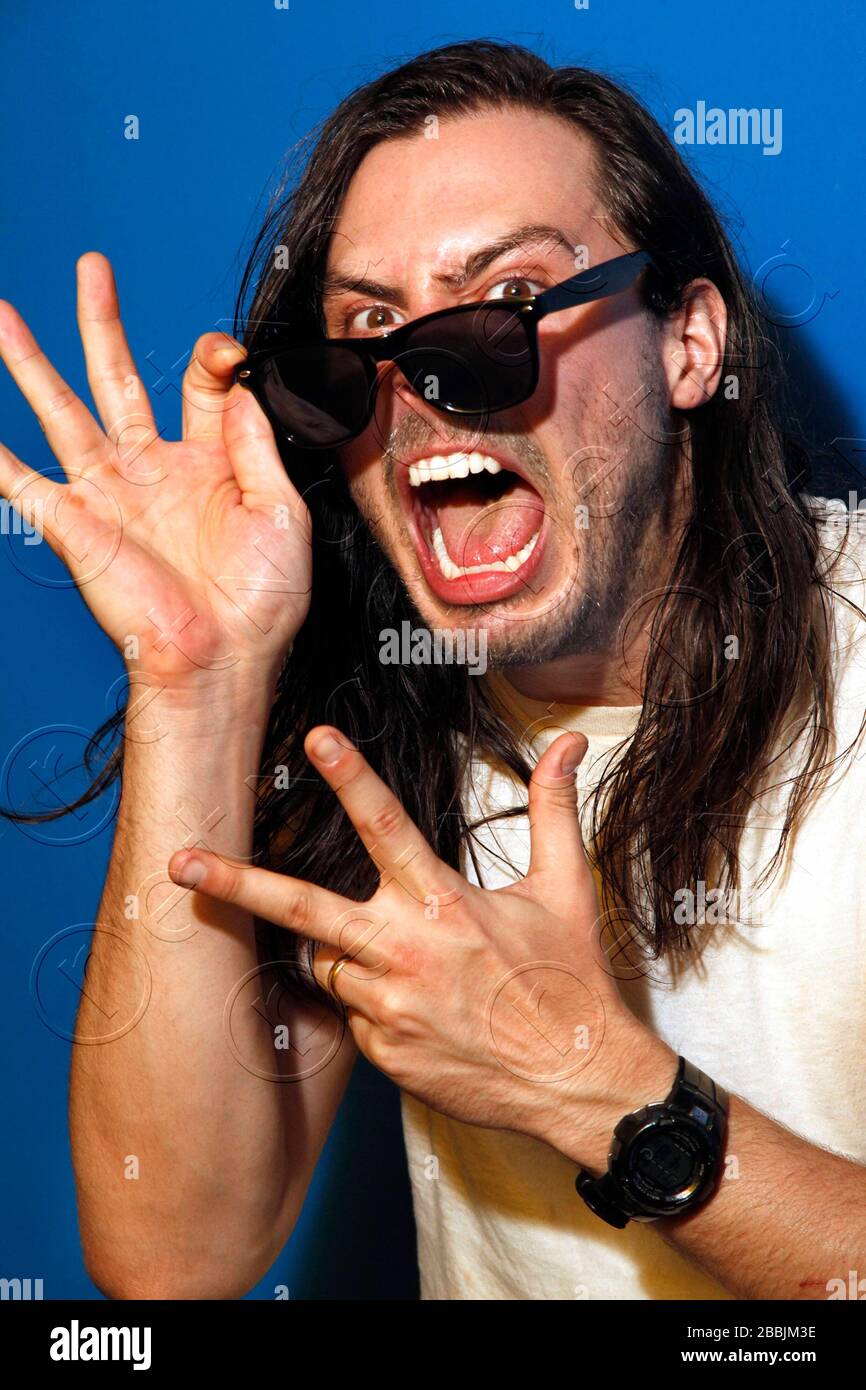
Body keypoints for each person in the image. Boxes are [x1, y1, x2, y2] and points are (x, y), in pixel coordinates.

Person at [1, 39, 864, 1302]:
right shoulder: (377, 730)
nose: (417, 383)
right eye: (365, 334)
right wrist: (195, 681)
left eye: (506, 303)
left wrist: (598, 1088)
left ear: (686, 342)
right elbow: (172, 1255)